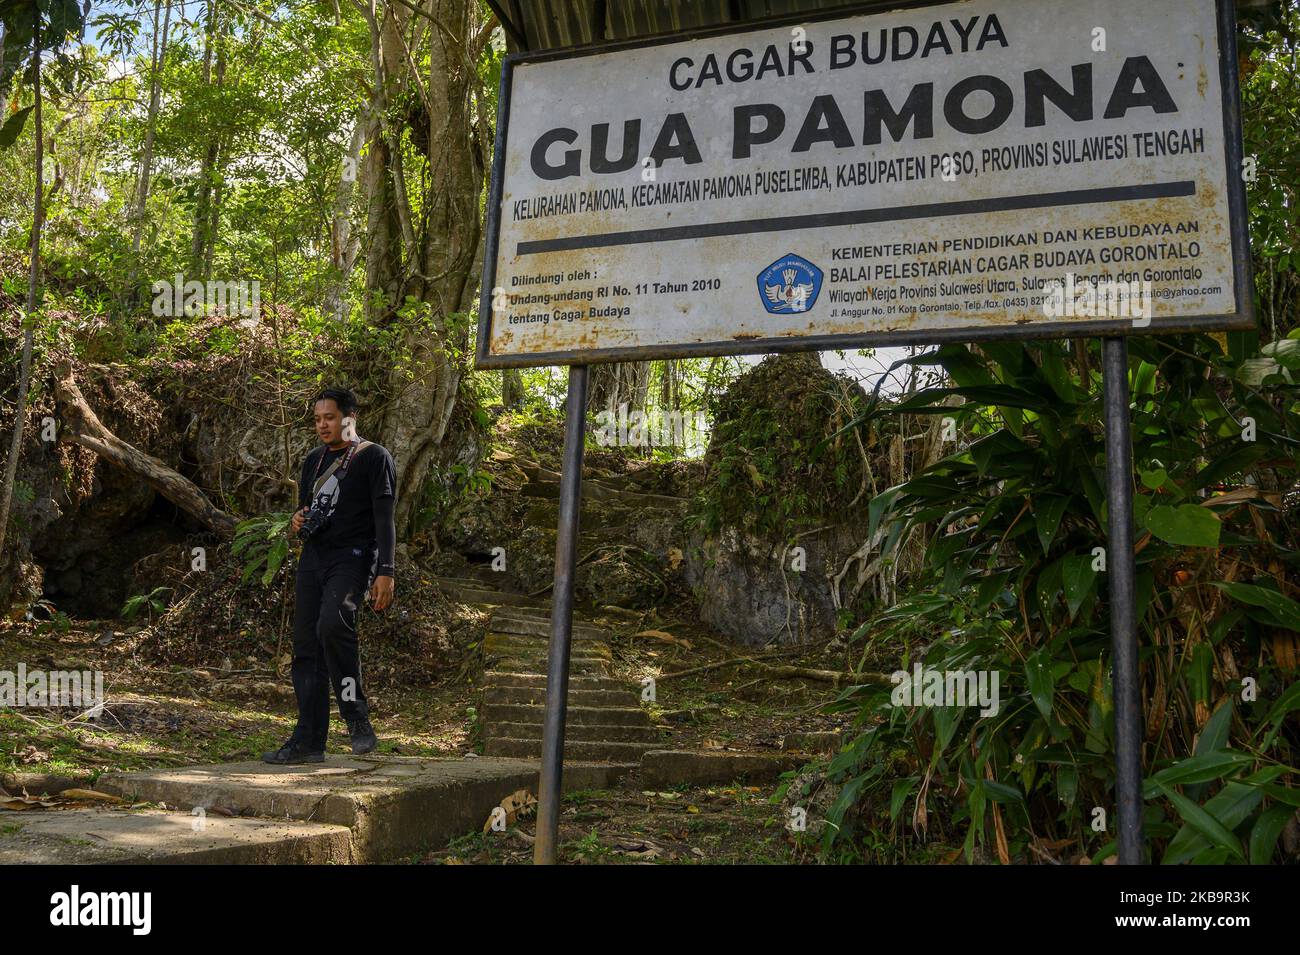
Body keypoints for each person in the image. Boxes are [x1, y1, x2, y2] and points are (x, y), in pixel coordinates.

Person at [262, 387, 396, 764]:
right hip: (314, 557)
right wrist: (296, 519)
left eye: (330, 418)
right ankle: (308, 740)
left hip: (354, 557)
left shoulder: (374, 458)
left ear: (349, 418)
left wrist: (386, 571)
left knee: (333, 625)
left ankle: (356, 718)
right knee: (305, 647)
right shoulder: (313, 461)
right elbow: (307, 509)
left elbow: (385, 519)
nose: (322, 425)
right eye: (318, 419)